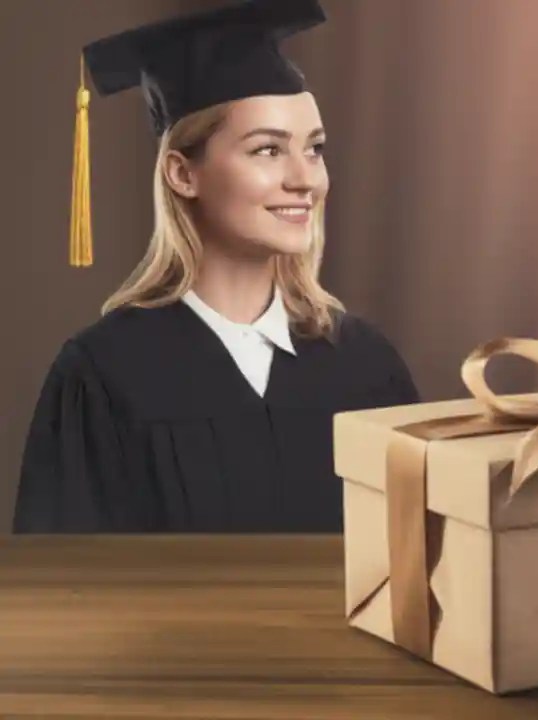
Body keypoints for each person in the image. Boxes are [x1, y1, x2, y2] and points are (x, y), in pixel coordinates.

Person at [12, 0, 420, 533]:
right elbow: (69, 594)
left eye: (315, 149)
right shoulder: (105, 376)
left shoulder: (367, 367)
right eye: (268, 151)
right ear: (183, 174)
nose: (306, 180)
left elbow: (424, 570)